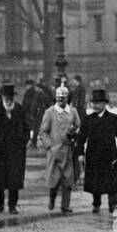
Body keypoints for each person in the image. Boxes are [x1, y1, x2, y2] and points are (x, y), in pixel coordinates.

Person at [0, 81, 28, 213]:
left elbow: (26, 128)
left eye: (11, 98)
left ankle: (12, 205)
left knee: (15, 180)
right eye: (6, 98)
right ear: (2, 98)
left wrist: (22, 142)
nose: (8, 100)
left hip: (15, 152)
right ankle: (1, 202)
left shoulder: (19, 109)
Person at [80, 87, 117, 212]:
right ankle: (96, 203)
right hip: (93, 156)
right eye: (94, 104)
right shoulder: (88, 120)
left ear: (104, 104)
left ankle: (113, 204)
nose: (95, 106)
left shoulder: (113, 119)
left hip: (110, 156)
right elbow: (81, 139)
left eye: (98, 103)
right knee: (95, 182)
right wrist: (80, 153)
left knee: (112, 182)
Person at [38, 85, 80, 213]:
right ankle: (52, 199)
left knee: (68, 179)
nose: (61, 100)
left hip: (68, 150)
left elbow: (79, 127)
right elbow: (43, 132)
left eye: (63, 98)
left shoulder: (73, 111)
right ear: (55, 98)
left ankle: (65, 205)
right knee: (54, 180)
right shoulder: (49, 112)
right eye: (59, 98)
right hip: (54, 151)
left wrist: (74, 133)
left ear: (67, 98)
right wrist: (49, 146)